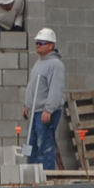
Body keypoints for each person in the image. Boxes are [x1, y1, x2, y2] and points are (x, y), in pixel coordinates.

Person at [22, 28, 66, 170]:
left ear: (51, 45)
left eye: (42, 43)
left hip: (45, 113)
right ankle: (32, 176)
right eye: (37, 43)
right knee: (31, 145)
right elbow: (33, 86)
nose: (38, 45)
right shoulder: (39, 63)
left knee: (44, 146)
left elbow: (56, 89)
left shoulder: (55, 64)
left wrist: (49, 109)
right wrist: (27, 105)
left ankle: (46, 176)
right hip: (35, 111)